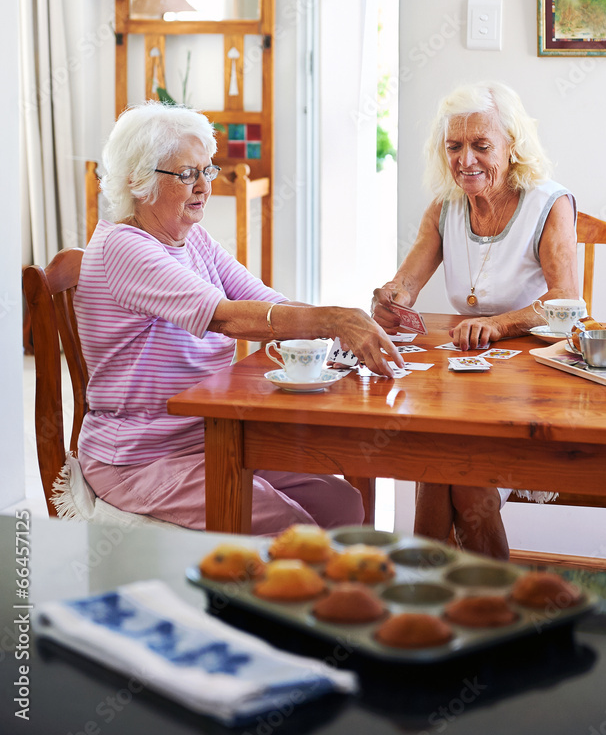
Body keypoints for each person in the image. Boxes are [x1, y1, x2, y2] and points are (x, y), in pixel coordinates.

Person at [75, 101, 403, 532]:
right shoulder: (125, 247)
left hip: (208, 437)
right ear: (139, 182)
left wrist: (359, 323)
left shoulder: (193, 239)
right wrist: (336, 321)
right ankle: (262, 597)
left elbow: (268, 303)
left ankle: (313, 596)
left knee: (343, 505)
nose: (204, 187)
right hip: (139, 457)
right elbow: (226, 318)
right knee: (293, 530)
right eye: (188, 174)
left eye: (207, 171)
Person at [371, 81, 579, 558]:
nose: (466, 160)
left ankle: (436, 601)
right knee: (438, 463)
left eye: (481, 145)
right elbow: (406, 283)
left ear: (512, 147)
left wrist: (500, 324)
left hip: (534, 386)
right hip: (464, 383)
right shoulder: (445, 209)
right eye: (454, 146)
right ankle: (464, 606)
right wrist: (389, 300)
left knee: (457, 477)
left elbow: (568, 301)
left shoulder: (550, 204)